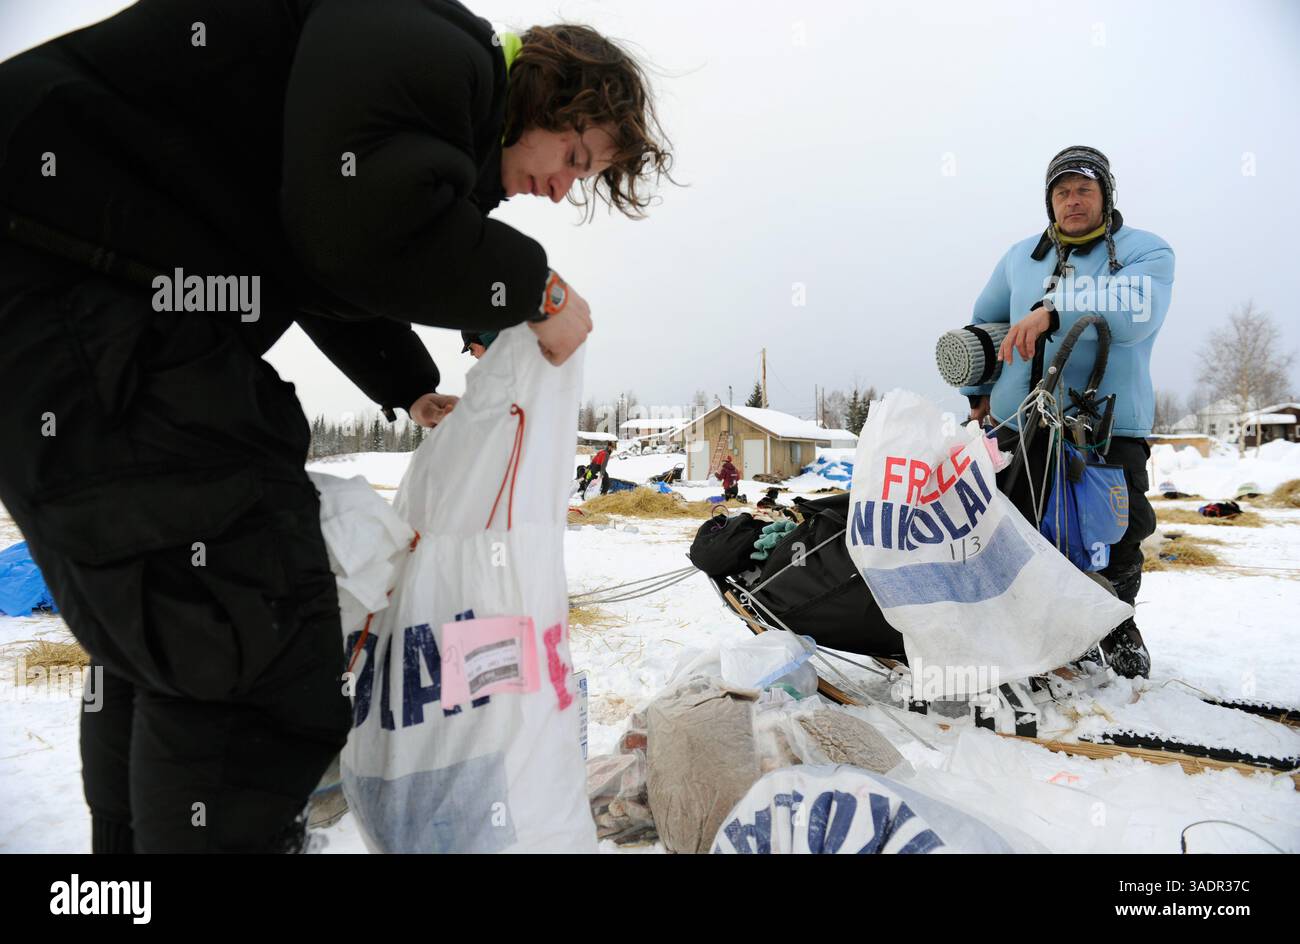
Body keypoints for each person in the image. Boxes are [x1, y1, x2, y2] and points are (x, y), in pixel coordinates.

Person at [0, 1, 670, 852]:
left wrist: (414, 387)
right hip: (73, 281)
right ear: (545, 90)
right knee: (252, 619)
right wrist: (535, 288)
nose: (565, 185)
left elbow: (323, 262)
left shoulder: (401, 92)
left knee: (169, 625)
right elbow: (352, 228)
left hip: (82, 287)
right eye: (575, 155)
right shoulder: (439, 52)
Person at [961, 146, 1173, 678]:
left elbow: (1135, 313)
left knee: (1114, 531)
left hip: (1103, 424)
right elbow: (986, 324)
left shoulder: (1146, 252)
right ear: (1049, 202)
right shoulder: (1019, 259)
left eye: (1084, 190)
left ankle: (1115, 629)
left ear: (1105, 195)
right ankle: (1034, 637)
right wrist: (978, 391)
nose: (1072, 201)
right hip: (1018, 423)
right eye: (1061, 192)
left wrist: (1054, 310)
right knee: (1018, 531)